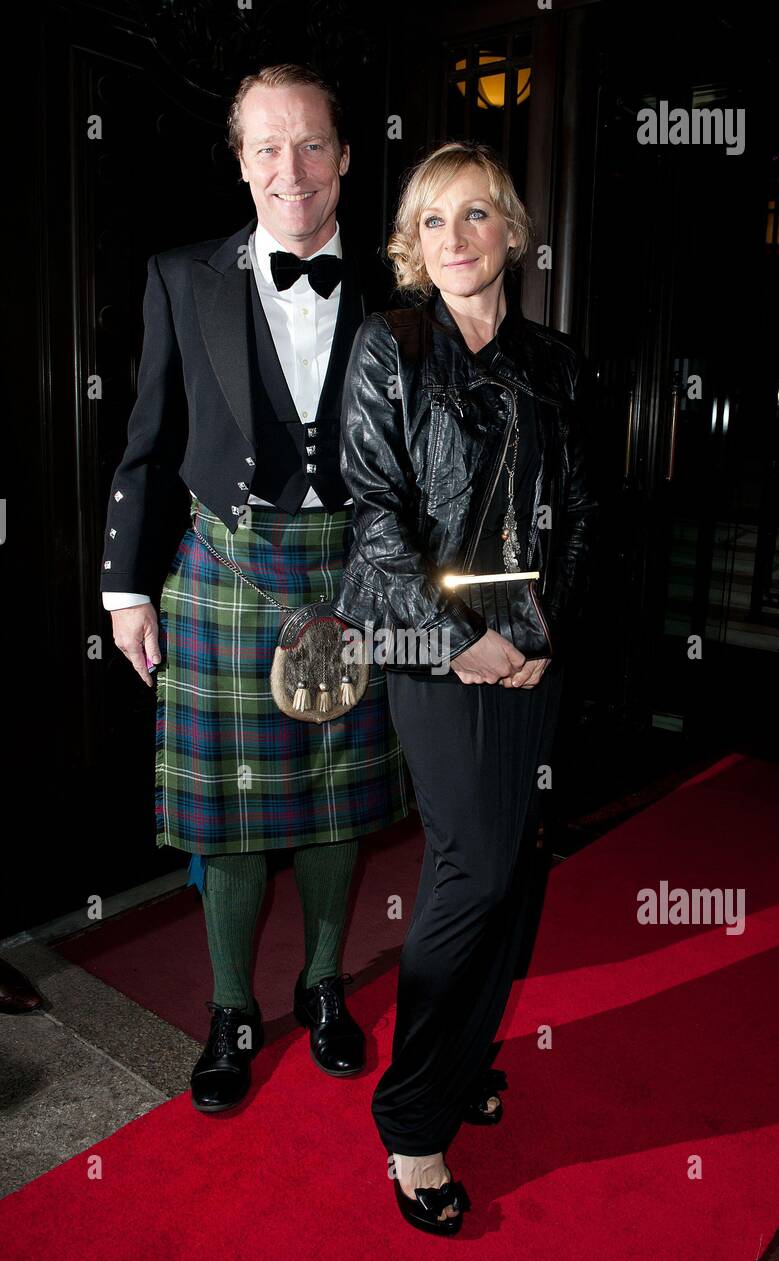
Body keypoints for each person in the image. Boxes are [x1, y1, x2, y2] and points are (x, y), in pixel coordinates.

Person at [99, 64, 410, 1113]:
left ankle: (323, 985)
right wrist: (124, 591)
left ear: (346, 158)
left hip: (356, 572)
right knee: (229, 816)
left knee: (335, 806)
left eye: (313, 144)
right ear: (239, 160)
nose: (292, 169)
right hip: (228, 566)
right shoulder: (181, 274)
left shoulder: (395, 287)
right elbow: (144, 443)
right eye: (267, 147)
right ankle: (232, 1008)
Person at [333, 141, 597, 1234]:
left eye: (477, 216)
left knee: (519, 866)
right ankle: (412, 1121)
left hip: (528, 645)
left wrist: (542, 630)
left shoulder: (559, 361)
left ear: (514, 233)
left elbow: (580, 512)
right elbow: (377, 515)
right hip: (429, 646)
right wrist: (461, 637)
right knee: (473, 865)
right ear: (412, 242)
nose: (455, 240)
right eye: (432, 221)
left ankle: (463, 1061)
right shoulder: (388, 345)